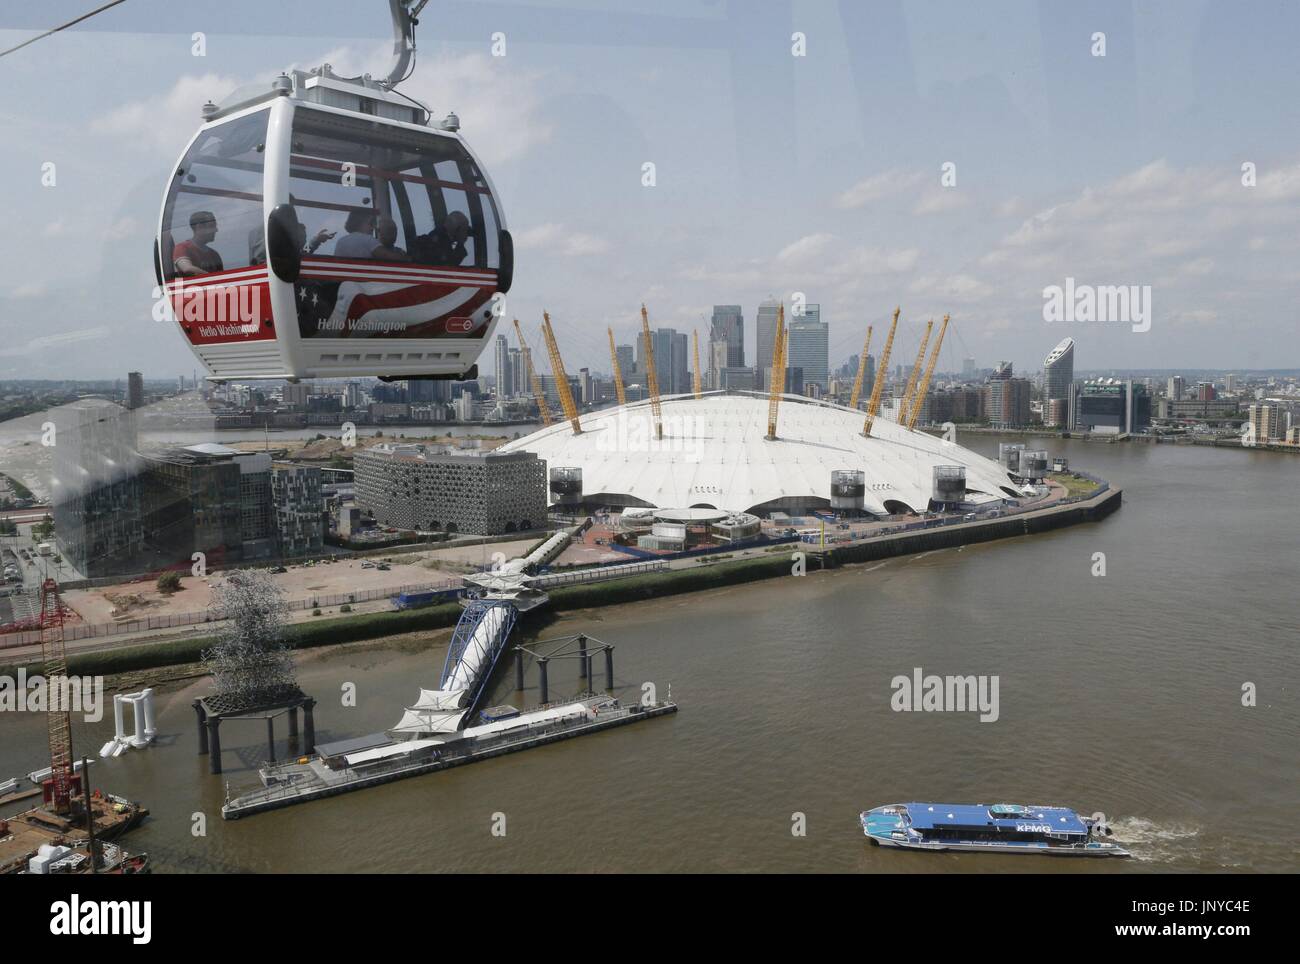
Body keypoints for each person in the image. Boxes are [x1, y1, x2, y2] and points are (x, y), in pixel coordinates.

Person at [173, 211, 223, 276]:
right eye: (212, 226)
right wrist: (212, 278)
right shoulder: (182, 248)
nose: (216, 230)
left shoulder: (215, 255)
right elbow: (187, 268)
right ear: (199, 227)